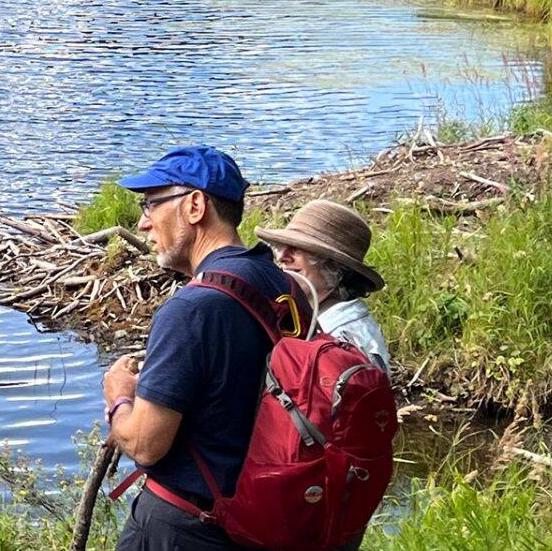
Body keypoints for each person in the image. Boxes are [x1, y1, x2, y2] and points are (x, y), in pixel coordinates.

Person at [101, 147, 302, 551]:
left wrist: (120, 397)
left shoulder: (191, 308)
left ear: (194, 205)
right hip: (266, 519)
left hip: (187, 528)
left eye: (152, 204)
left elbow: (145, 444)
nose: (143, 223)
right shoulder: (286, 286)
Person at [265, 199, 391, 372]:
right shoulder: (312, 317)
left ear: (334, 265)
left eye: (296, 248)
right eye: (281, 246)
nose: (282, 257)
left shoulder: (346, 337)